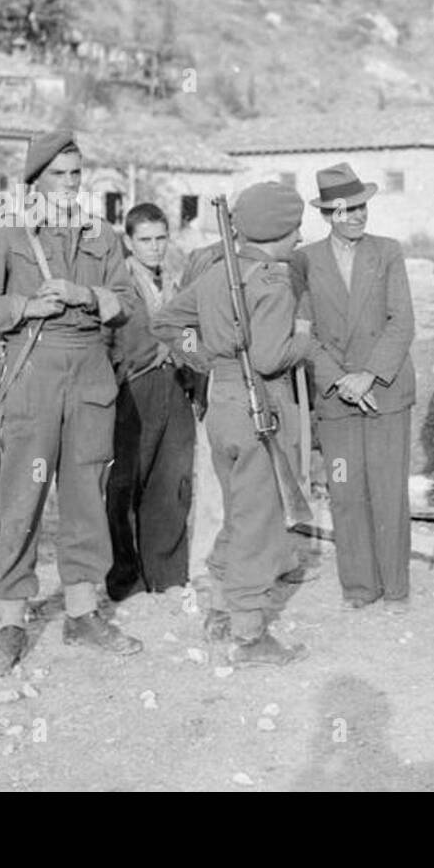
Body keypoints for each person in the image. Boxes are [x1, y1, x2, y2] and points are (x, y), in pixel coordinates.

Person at [0, 129, 142, 676]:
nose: (69, 184)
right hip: (33, 371)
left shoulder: (102, 236)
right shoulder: (6, 234)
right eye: (58, 174)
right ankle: (11, 622)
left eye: (76, 173)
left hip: (89, 372)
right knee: (22, 498)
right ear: (34, 181)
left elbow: (128, 302)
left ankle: (83, 613)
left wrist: (87, 296)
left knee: (87, 494)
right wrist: (26, 306)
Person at [152, 182, 312, 664]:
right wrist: (305, 337)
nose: (301, 238)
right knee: (258, 523)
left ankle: (219, 607)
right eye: (295, 229)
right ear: (277, 233)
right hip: (261, 406)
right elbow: (268, 358)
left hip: (221, 407)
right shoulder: (274, 282)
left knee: (238, 512)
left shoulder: (217, 274)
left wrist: (203, 358)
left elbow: (164, 324)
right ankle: (248, 633)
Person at [296, 162, 416, 612]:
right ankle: (359, 587)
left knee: (388, 491)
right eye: (347, 209)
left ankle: (396, 588)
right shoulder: (305, 261)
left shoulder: (387, 252)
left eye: (362, 206)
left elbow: (402, 321)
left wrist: (369, 374)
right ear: (329, 214)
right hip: (336, 398)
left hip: (385, 393)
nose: (358, 216)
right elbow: (303, 331)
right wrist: (339, 380)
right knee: (346, 492)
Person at [104, 202, 196, 600]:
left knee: (171, 481)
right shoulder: (117, 282)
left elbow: (193, 331)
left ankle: (167, 573)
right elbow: (107, 342)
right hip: (133, 390)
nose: (155, 248)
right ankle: (125, 577)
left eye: (161, 238)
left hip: (175, 385)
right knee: (125, 484)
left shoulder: (177, 278)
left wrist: (188, 356)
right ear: (129, 241)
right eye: (146, 240)